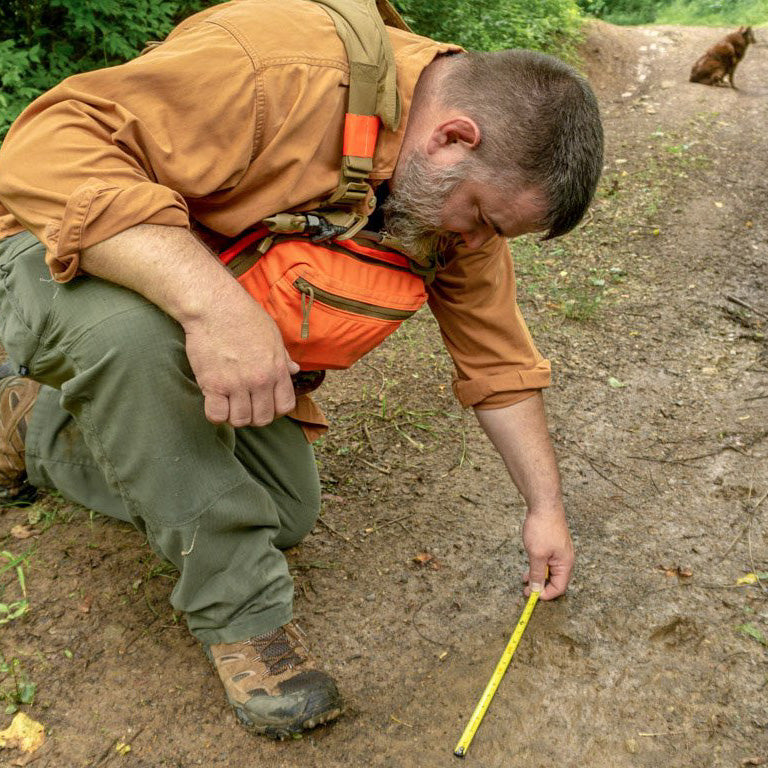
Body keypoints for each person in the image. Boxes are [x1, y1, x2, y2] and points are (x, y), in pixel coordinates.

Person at [0, 0, 603, 740]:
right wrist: (215, 309)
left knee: (278, 511)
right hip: (48, 244)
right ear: (453, 137)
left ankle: (29, 425)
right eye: (482, 217)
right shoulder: (277, 67)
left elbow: (498, 363)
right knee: (135, 339)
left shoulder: (452, 196)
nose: (476, 241)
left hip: (184, 287)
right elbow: (44, 150)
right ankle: (244, 623)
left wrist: (545, 508)